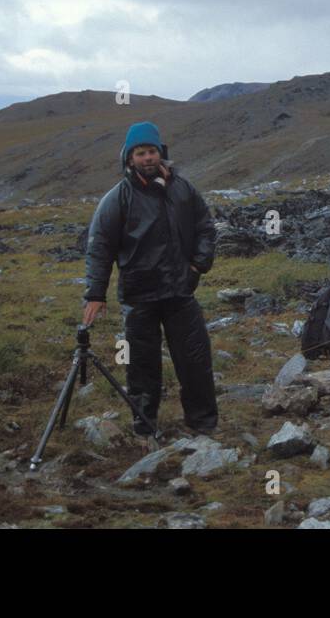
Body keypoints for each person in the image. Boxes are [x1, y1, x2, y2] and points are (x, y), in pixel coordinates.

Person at [82, 121, 219, 435]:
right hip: (139, 297)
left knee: (195, 361)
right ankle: (145, 428)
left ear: (161, 152)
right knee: (142, 368)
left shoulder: (183, 189)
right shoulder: (117, 198)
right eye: (140, 153)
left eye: (152, 151)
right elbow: (100, 246)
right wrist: (95, 293)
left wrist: (197, 267)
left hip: (180, 293)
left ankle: (203, 426)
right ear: (129, 158)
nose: (147, 158)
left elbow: (205, 228)